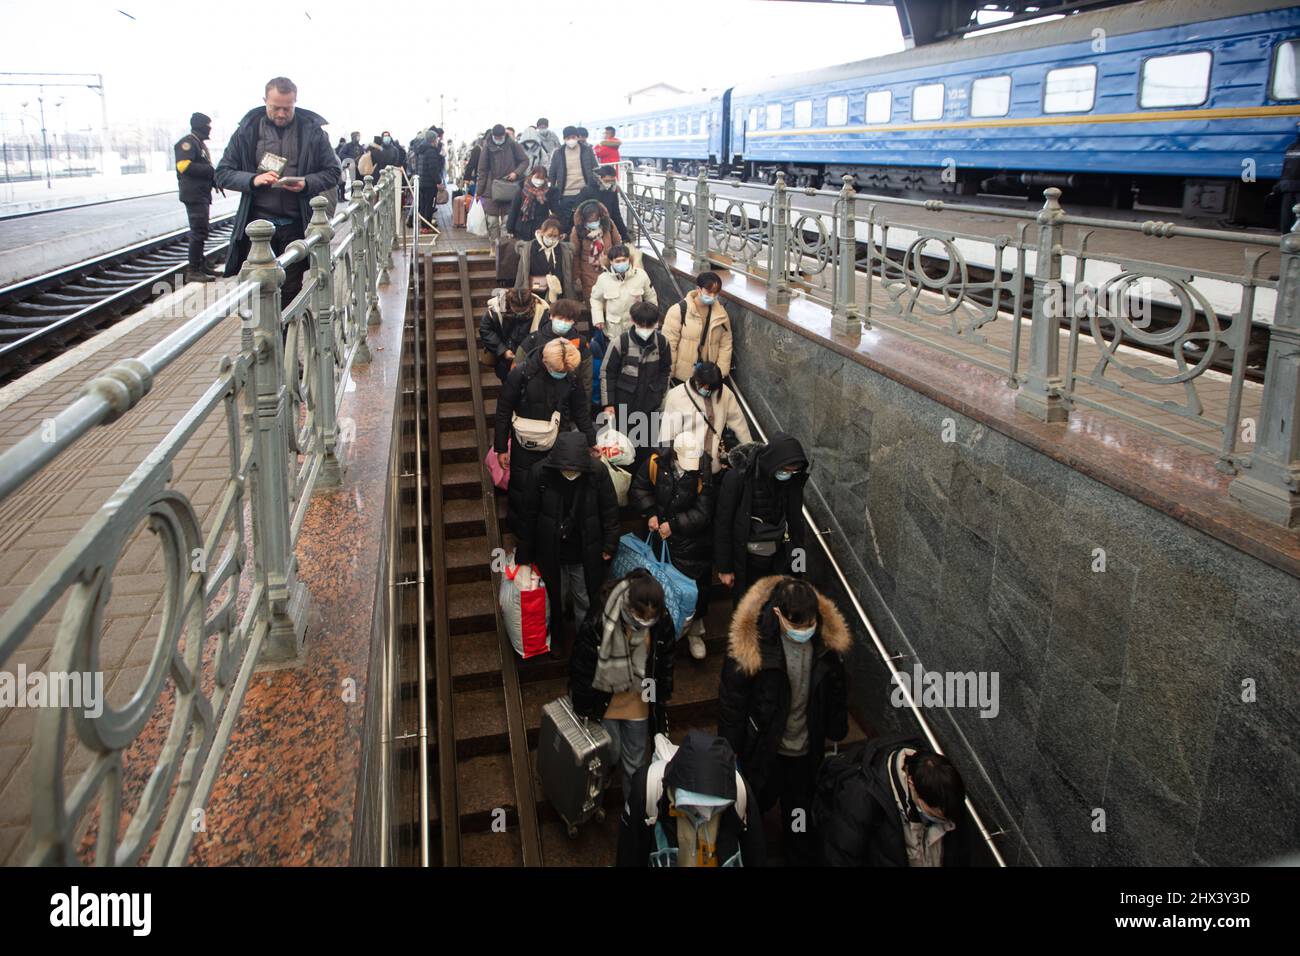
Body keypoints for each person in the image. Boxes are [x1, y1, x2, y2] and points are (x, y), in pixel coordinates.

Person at [719, 575, 850, 866]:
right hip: (765, 747)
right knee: (755, 806)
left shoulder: (825, 644)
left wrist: (836, 727)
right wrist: (729, 747)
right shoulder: (752, 645)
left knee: (799, 812)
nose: (804, 631)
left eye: (809, 624)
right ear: (778, 614)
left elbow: (836, 689)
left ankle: (797, 854)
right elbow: (733, 700)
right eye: (796, 626)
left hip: (805, 749)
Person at [215, 76, 341, 303]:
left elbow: (333, 172)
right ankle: (267, 336)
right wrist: (254, 179)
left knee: (289, 288)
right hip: (258, 227)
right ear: (265, 101)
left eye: (287, 108)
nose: (281, 114)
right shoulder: (247, 131)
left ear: (295, 102)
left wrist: (306, 183)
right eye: (275, 108)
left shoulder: (312, 132)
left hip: (295, 225)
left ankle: (279, 336)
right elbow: (222, 173)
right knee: (258, 291)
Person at [517, 431, 620, 654]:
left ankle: (585, 643)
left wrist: (609, 546)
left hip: (584, 553)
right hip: (550, 552)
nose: (570, 473)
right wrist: (524, 557)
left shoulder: (597, 473)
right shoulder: (540, 474)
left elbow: (610, 511)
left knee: (584, 598)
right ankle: (557, 638)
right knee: (555, 598)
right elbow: (528, 516)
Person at [569, 569, 675, 782]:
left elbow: (661, 665)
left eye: (650, 619)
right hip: (605, 700)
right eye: (640, 617)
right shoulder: (601, 618)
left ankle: (632, 810)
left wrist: (656, 699)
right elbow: (582, 665)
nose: (644, 623)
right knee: (612, 751)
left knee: (635, 763)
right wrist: (582, 705)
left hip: (638, 700)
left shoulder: (661, 623)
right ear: (629, 606)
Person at [816, 736, 974, 867]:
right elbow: (841, 856)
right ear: (911, 783)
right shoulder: (861, 797)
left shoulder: (946, 796)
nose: (941, 821)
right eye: (933, 814)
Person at [494, 338, 597, 538]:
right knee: (521, 487)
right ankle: (521, 532)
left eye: (565, 372)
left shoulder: (571, 376)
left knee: (552, 488)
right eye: (558, 371)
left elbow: (580, 412)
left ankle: (547, 530)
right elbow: (503, 411)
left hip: (557, 441)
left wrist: (592, 441)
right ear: (545, 362)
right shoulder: (520, 374)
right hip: (525, 442)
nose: (562, 374)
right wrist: (501, 447)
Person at [617, 730, 765, 867]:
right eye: (692, 804)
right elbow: (629, 853)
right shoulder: (648, 788)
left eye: (713, 807)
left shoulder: (738, 790)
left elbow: (754, 851)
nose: (705, 814)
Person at [630, 432, 715, 660]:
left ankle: (694, 632)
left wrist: (674, 525)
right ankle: (657, 632)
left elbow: (704, 511)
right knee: (660, 587)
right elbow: (639, 488)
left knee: (694, 591)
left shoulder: (703, 471)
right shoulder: (656, 463)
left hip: (691, 545)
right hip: (658, 539)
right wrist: (650, 513)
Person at [714, 433, 810, 606]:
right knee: (747, 610)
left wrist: (799, 568)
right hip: (746, 561)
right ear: (773, 462)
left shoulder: (793, 483)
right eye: (785, 470)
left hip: (779, 559)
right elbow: (723, 524)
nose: (787, 475)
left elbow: (797, 527)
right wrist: (724, 568)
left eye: (793, 471)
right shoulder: (738, 478)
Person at [599, 302, 670, 473]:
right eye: (641, 325)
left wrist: (659, 395)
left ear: (656, 323)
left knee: (646, 447)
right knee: (623, 446)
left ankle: (642, 481)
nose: (645, 329)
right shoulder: (620, 343)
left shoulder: (662, 342)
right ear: (632, 321)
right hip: (624, 404)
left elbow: (665, 371)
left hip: (650, 404)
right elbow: (607, 373)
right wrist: (608, 404)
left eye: (650, 325)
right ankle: (624, 479)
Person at [659, 361, 752, 477]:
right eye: (704, 386)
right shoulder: (677, 396)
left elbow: (739, 424)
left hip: (714, 467)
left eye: (711, 389)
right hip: (687, 468)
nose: (706, 390)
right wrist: (675, 467)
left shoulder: (725, 394)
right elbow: (668, 436)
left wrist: (751, 451)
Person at [662, 271, 733, 385]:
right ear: (698, 289)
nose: (713, 296)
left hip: (707, 377)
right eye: (709, 292)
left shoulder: (721, 314)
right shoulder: (679, 310)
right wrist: (669, 373)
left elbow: (726, 343)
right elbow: (669, 345)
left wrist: (720, 372)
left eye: (716, 293)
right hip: (682, 376)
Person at [516, 298, 593, 403]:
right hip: (538, 399)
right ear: (551, 316)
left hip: (568, 400)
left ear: (574, 322)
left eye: (568, 320)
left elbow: (586, 377)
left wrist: (584, 403)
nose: (563, 323)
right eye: (560, 318)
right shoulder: (532, 340)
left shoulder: (581, 343)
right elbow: (517, 370)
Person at [174, 111, 219, 284]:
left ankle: (200, 264)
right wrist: (211, 171)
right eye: (208, 126)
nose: (209, 130)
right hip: (193, 194)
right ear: (200, 126)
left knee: (202, 230)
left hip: (200, 193)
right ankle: (193, 270)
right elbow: (184, 166)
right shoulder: (187, 143)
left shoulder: (197, 143)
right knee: (198, 231)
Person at [589, 243, 656, 342]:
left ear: (629, 259)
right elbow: (596, 299)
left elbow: (651, 297)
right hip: (613, 330)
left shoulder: (641, 275)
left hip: (637, 326)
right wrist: (598, 318)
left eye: (624, 260)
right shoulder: (603, 279)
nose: (621, 263)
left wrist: (653, 321)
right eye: (618, 261)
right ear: (611, 261)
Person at [480, 286, 548, 382]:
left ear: (530, 304)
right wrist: (502, 350)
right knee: (508, 382)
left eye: (524, 310)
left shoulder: (540, 310)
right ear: (509, 302)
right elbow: (486, 330)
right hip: (505, 359)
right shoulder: (496, 309)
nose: (520, 313)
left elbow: (545, 332)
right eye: (516, 309)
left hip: (529, 357)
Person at [477, 123, 528, 240]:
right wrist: (479, 192)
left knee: (507, 220)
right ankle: (494, 246)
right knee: (492, 221)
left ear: (504, 135)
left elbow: (524, 160)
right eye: (496, 138)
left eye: (501, 138)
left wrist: (516, 173)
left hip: (509, 186)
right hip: (491, 188)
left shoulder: (513, 145)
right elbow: (482, 170)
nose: (498, 140)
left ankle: (505, 248)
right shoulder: (487, 147)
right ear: (493, 136)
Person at [570, 199, 622, 307]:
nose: (593, 223)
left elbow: (617, 245)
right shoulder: (577, 231)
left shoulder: (609, 226)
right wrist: (576, 275)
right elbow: (575, 254)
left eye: (595, 219)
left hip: (609, 268)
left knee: (612, 299)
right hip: (588, 270)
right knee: (593, 301)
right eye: (590, 221)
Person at [513, 216, 575, 302]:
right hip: (535, 292)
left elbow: (566, 274)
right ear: (542, 232)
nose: (552, 239)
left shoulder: (563, 250)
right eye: (549, 235)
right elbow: (522, 274)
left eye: (555, 236)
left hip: (557, 294)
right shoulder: (529, 248)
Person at [549, 125, 599, 226]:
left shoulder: (587, 150)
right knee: (567, 222)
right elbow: (552, 172)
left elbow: (595, 169)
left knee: (584, 221)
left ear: (577, 137)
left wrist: (595, 186)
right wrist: (553, 190)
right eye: (568, 138)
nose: (571, 140)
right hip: (565, 194)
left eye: (573, 137)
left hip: (584, 192)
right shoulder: (558, 153)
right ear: (564, 139)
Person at [575, 165, 629, 247]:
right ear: (599, 178)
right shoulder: (587, 191)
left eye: (612, 181)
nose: (609, 184)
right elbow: (578, 212)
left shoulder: (612, 191)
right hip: (588, 230)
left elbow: (616, 214)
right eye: (607, 181)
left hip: (606, 230)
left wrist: (624, 234)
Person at [506, 166, 558, 240]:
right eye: (537, 178)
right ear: (531, 176)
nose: (539, 181)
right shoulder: (522, 190)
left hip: (540, 230)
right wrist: (510, 229)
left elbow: (555, 211)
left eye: (541, 179)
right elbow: (514, 210)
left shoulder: (550, 192)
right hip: (521, 229)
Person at [413, 128, 446, 232]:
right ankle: (426, 226)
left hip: (421, 181)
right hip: (429, 183)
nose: (437, 141)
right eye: (436, 139)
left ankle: (424, 226)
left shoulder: (421, 150)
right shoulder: (431, 151)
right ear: (433, 140)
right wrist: (438, 181)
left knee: (423, 205)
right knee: (429, 205)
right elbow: (433, 169)